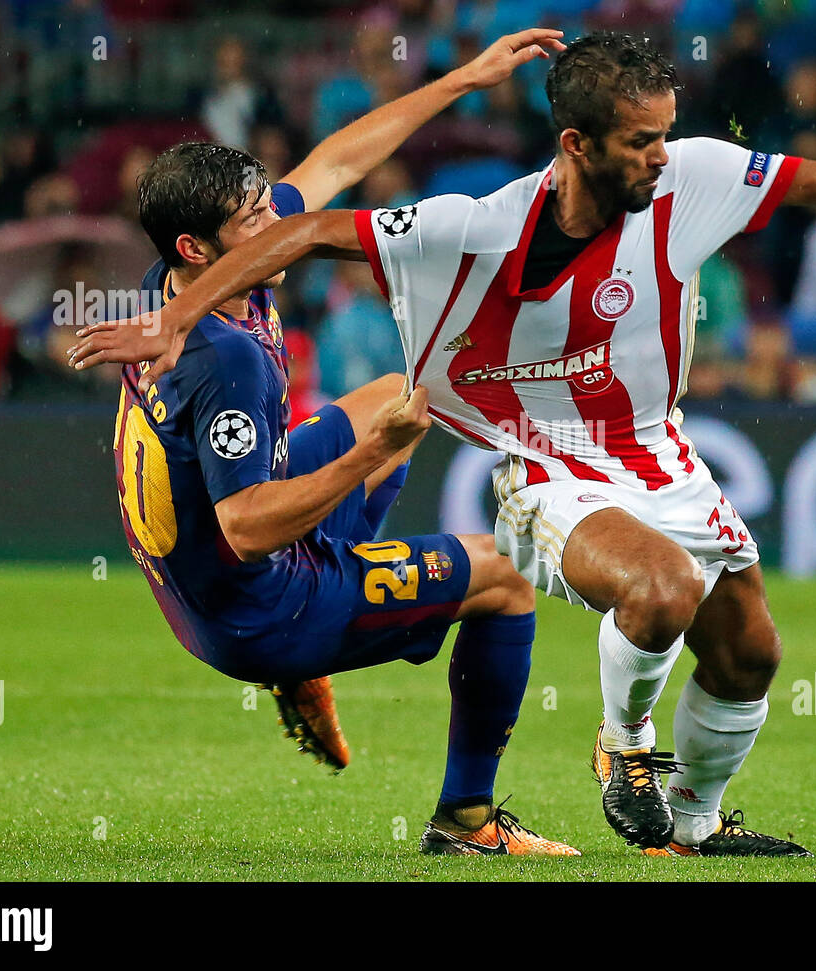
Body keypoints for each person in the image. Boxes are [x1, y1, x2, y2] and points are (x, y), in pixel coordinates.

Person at [69, 31, 816, 858]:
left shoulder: (207, 273)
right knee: (542, 579)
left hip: (651, 448)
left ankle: (695, 826)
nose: (661, 159)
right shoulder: (262, 338)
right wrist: (202, 336)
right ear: (577, 144)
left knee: (750, 651)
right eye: (639, 142)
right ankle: (508, 798)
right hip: (275, 579)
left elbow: (330, 176)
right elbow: (243, 522)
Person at [98, 29, 580, 857]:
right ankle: (467, 820)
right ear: (196, 247)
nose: (283, 224)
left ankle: (327, 625)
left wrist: (461, 77)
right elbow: (247, 526)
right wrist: (363, 457)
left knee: (400, 398)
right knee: (505, 576)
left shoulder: (177, 288)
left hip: (199, 585)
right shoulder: (227, 362)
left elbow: (334, 164)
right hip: (257, 609)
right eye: (255, 219)